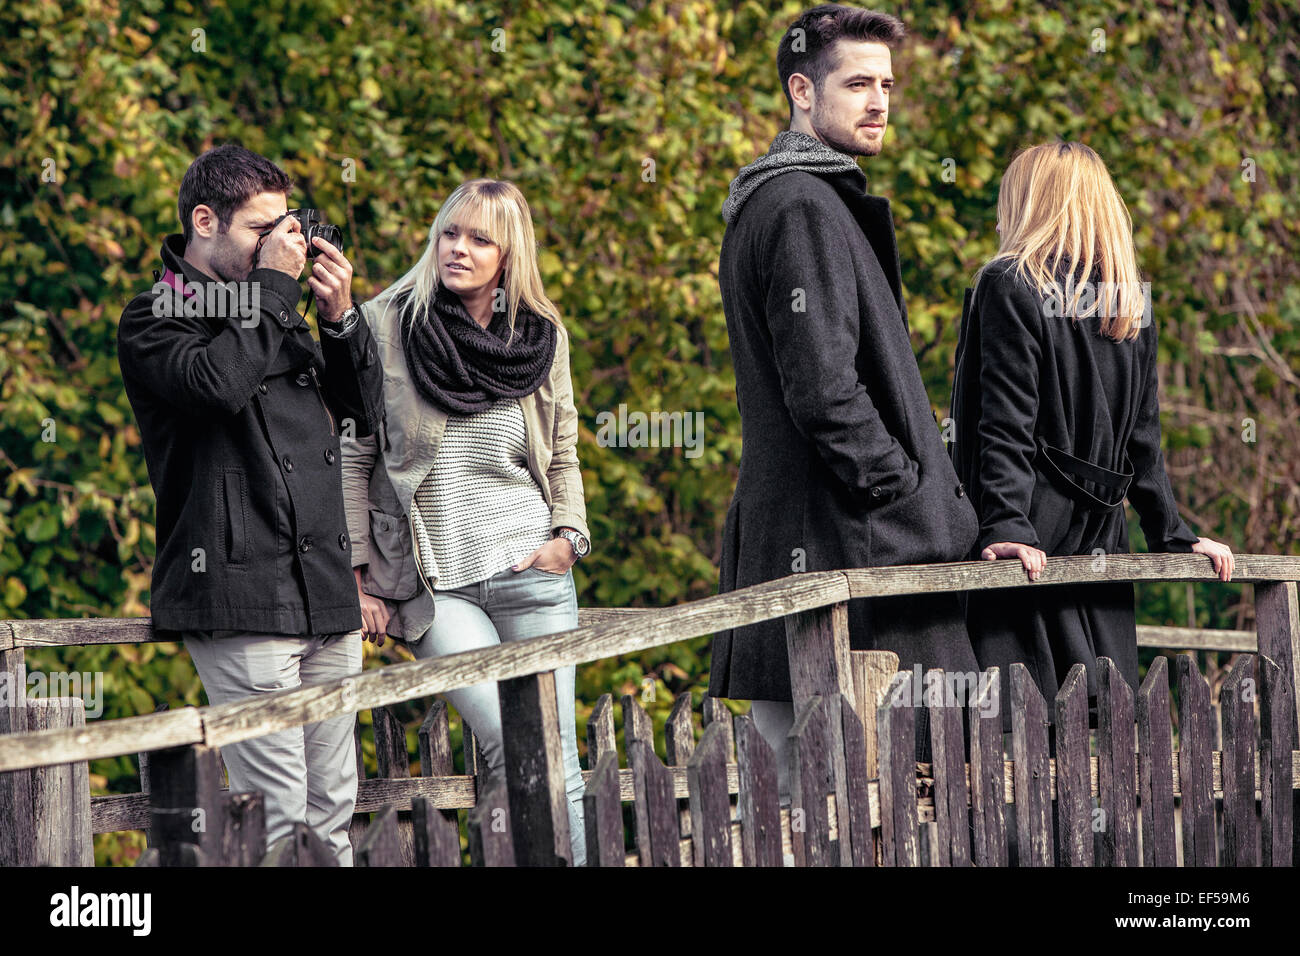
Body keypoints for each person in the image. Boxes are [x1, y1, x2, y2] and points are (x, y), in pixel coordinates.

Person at [709, 5, 980, 799]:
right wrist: (907, 493)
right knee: (860, 811)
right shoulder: (799, 204)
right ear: (801, 89)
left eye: (887, 84)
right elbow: (825, 391)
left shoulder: (790, 198)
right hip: (841, 548)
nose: (879, 102)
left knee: (818, 811)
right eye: (857, 82)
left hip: (818, 542)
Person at [117, 144, 384, 864]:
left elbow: (363, 413)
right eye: (259, 229)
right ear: (205, 219)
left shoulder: (275, 307)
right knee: (277, 817)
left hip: (324, 592)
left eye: (283, 228)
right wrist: (274, 288)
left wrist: (340, 318)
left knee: (332, 810)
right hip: (240, 594)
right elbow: (217, 384)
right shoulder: (154, 314)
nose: (279, 247)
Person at [340, 178, 592, 865]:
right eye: (451, 232)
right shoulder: (387, 325)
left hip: (533, 577)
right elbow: (354, 453)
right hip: (436, 586)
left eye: (480, 238)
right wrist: (360, 575)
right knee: (520, 738)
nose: (459, 248)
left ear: (509, 255)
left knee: (551, 754)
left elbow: (562, 452)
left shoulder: (541, 339)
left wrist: (567, 540)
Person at [949, 141, 1235, 730]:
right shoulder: (1126, 300)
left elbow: (1004, 425)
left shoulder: (1008, 282)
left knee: (1015, 743)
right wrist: (1172, 534)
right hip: (1103, 541)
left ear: (1032, 203)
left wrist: (1003, 525)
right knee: (1095, 735)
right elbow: (1146, 443)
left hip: (1028, 541)